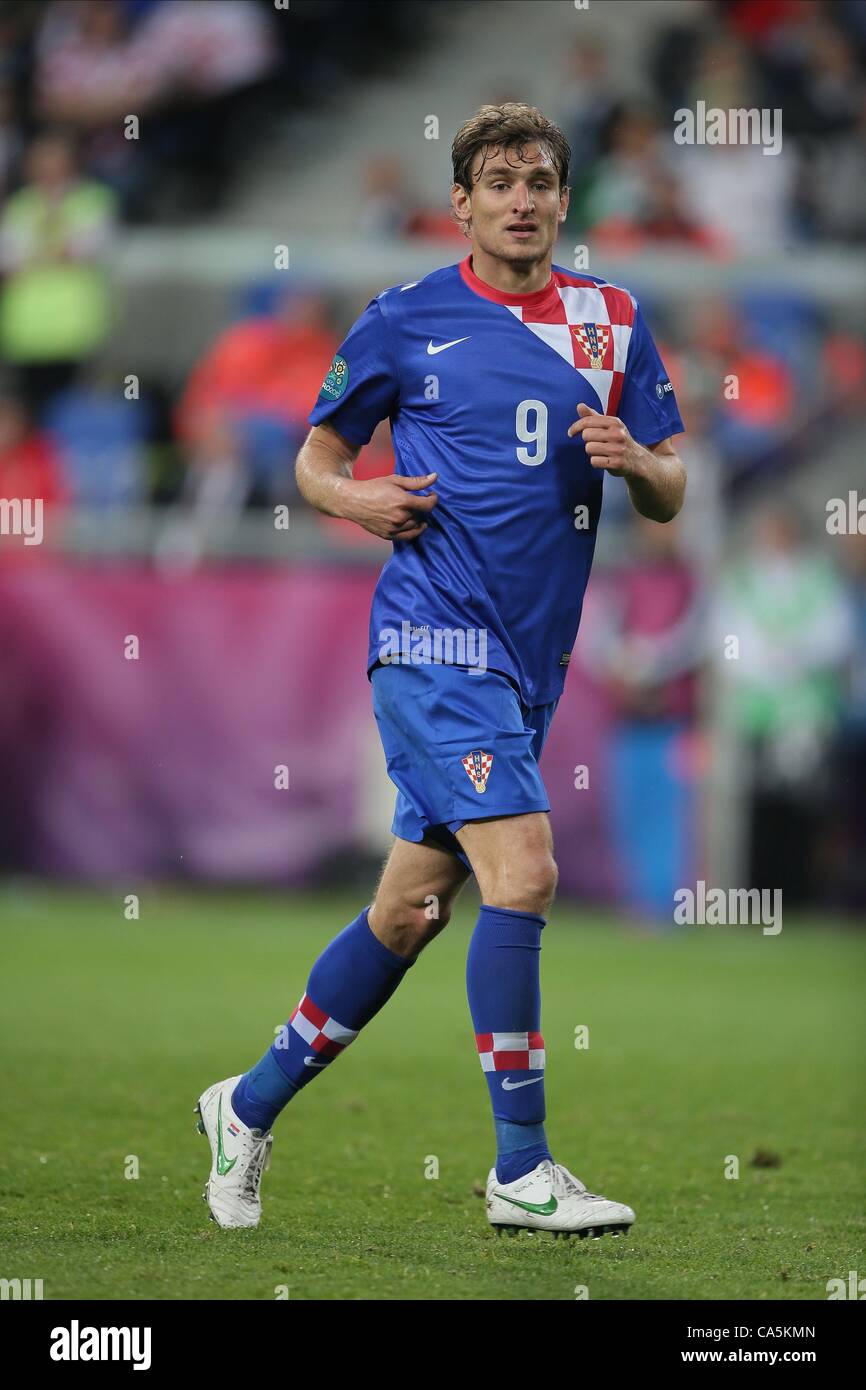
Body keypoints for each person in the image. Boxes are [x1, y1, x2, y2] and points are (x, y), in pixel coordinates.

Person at [195, 103, 686, 1238]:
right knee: (523, 870)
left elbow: (671, 485)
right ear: (459, 202)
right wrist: (357, 494)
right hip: (428, 640)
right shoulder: (403, 318)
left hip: (528, 660)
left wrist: (636, 467)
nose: (521, 198)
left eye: (541, 180)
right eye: (499, 181)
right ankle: (521, 1168)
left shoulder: (611, 321)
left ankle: (245, 1102)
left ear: (566, 199)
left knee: (409, 910)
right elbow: (320, 457)